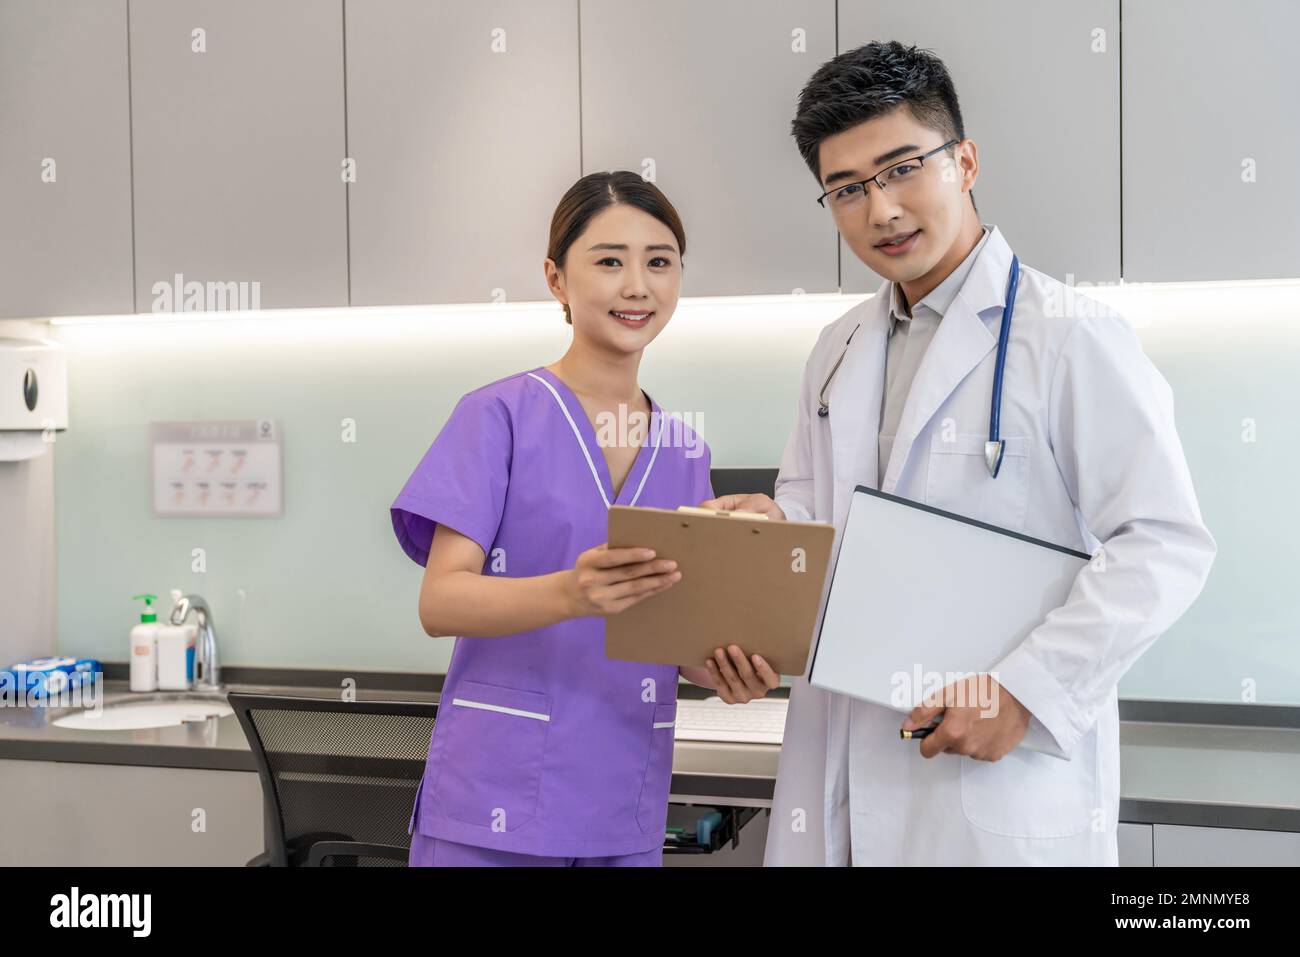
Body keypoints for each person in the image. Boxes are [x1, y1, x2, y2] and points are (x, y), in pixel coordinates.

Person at [704, 41, 1216, 866]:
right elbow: (813, 518)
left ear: (965, 160)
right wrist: (765, 537)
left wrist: (1024, 689)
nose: (881, 211)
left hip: (989, 791)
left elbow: (1163, 544)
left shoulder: (1072, 337)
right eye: (846, 189)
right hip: (838, 771)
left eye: (903, 167)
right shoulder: (835, 350)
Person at [391, 171, 779, 867]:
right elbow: (441, 599)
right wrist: (570, 591)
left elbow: (660, 631)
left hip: (621, 804)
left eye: (659, 262)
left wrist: (724, 670)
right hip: (494, 806)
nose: (637, 285)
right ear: (556, 279)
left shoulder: (685, 449)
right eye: (609, 260)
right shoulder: (499, 416)